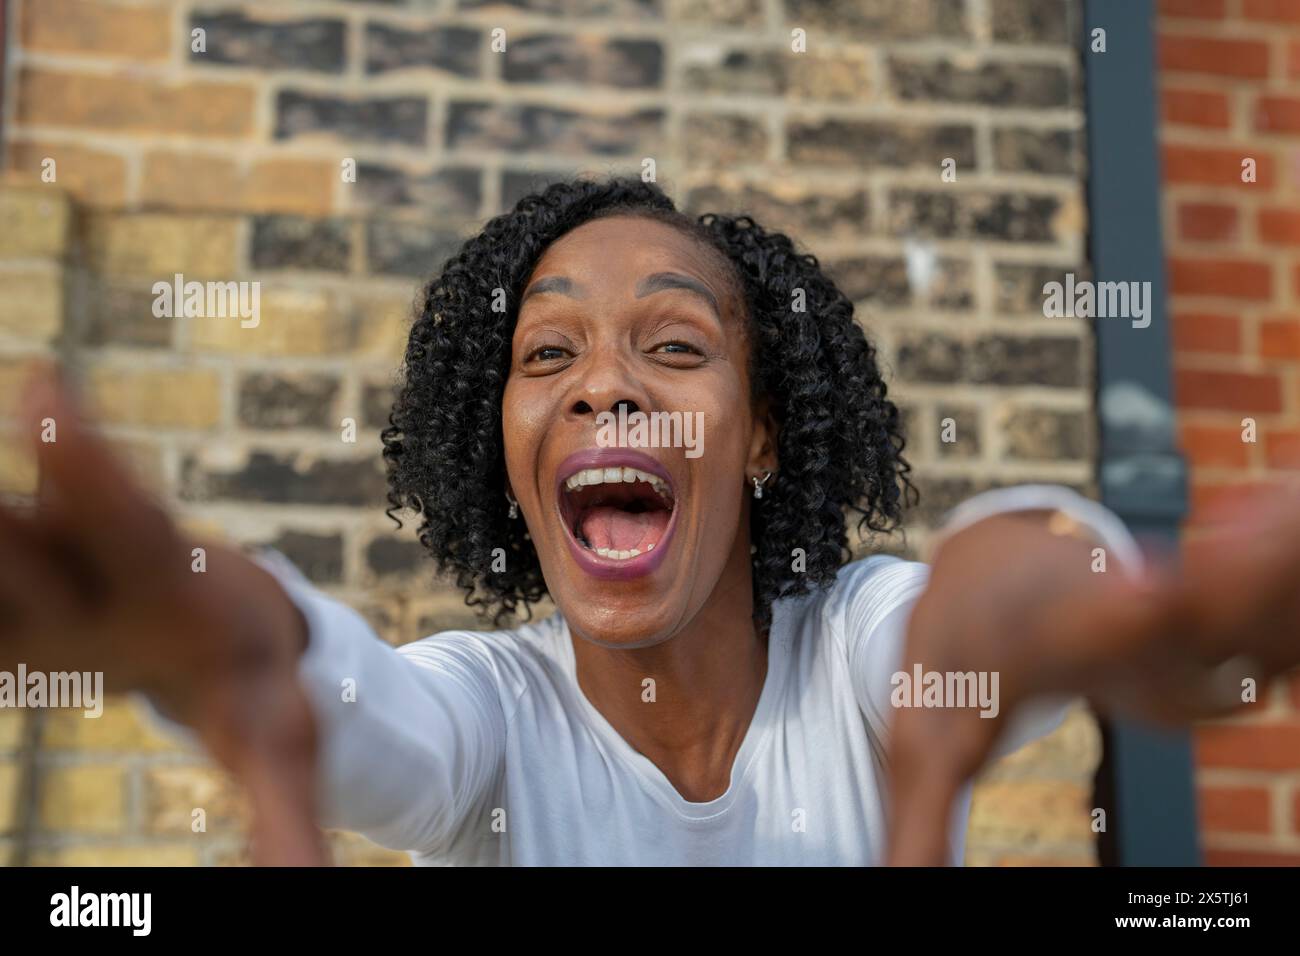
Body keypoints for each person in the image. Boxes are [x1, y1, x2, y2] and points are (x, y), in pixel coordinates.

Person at [3, 178, 1298, 866]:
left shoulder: (852, 658)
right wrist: (240, 644)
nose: (606, 382)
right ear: (501, 447)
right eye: (548, 352)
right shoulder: (486, 720)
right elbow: (357, 710)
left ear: (762, 435)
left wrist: (1073, 591)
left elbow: (966, 615)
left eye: (673, 344)